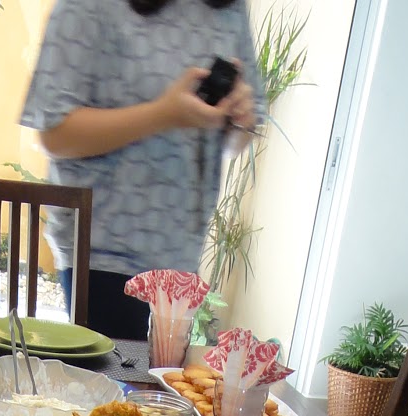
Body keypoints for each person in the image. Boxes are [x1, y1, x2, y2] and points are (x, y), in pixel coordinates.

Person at [20, 0, 260, 339]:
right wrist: (163, 114)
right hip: (103, 251)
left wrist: (239, 119)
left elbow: (233, 142)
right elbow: (53, 132)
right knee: (114, 386)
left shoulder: (230, 8)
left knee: (153, 387)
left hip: (181, 256)